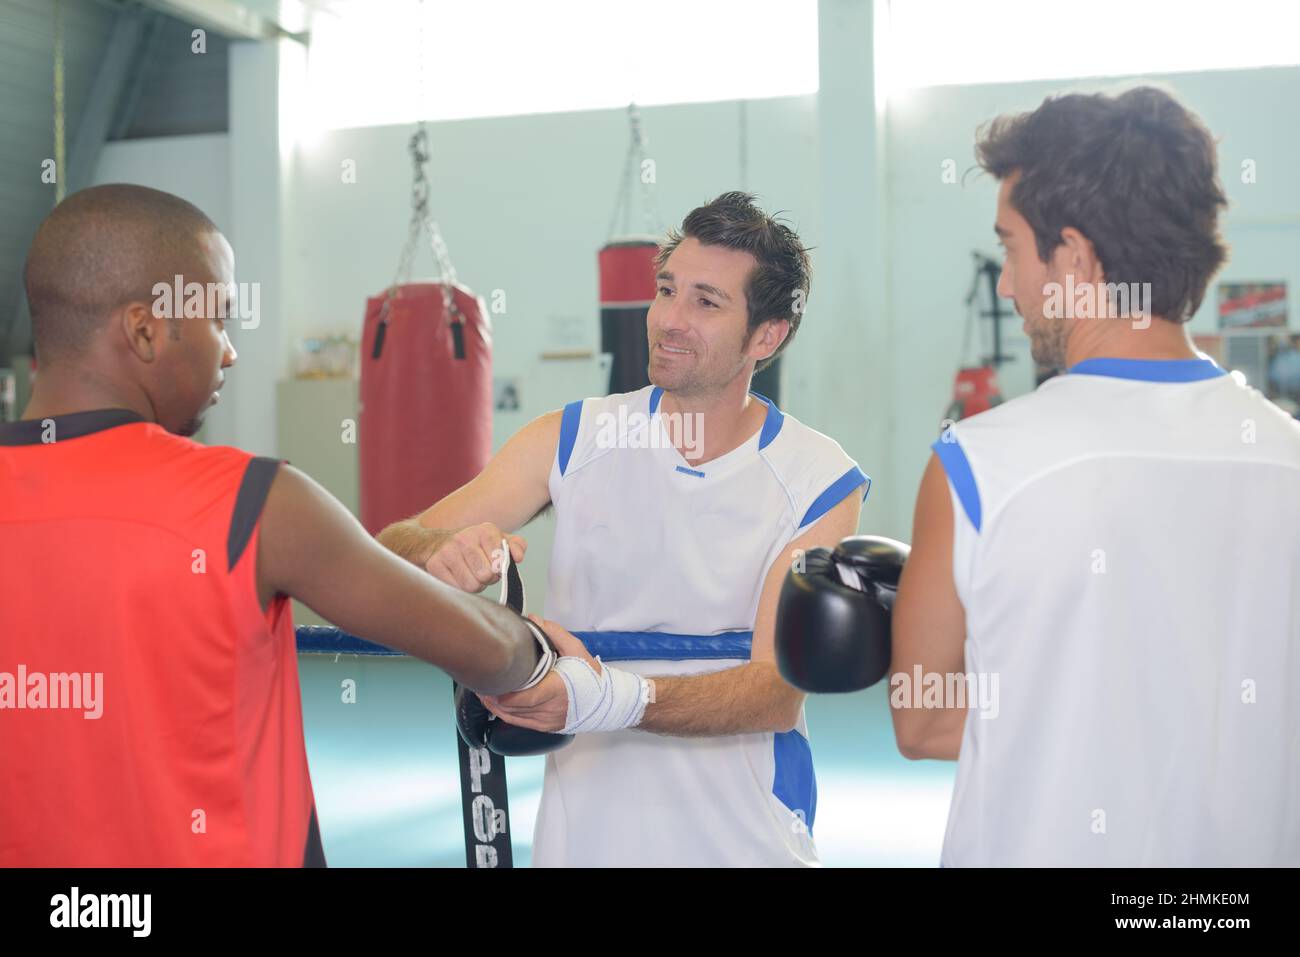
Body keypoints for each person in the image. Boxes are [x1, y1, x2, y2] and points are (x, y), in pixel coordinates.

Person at [0, 184, 549, 867]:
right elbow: (489, 651)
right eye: (218, 320)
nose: (228, 352)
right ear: (145, 330)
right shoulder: (254, 502)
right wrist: (541, 648)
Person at [378, 192, 870, 866]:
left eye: (706, 301)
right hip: (587, 840)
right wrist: (445, 554)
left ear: (767, 336)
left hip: (745, 839)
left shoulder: (817, 477)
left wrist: (597, 697)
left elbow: (774, 691)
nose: (669, 319)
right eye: (667, 289)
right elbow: (391, 550)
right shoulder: (574, 437)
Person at [888, 87, 1300, 865]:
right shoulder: (1289, 457)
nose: (1007, 284)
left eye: (1011, 247)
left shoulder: (977, 465)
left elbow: (924, 719)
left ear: (1072, 256)